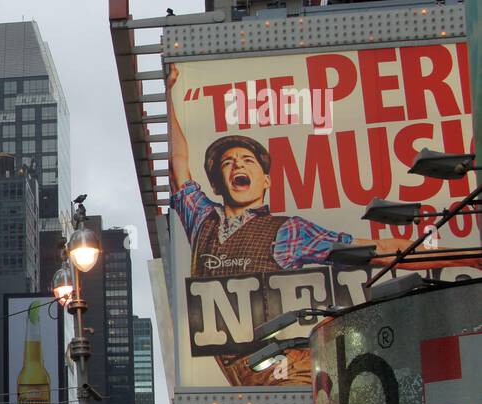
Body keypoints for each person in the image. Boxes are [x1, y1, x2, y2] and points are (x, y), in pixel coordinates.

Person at [165, 65, 447, 386]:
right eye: (227, 162)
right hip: (245, 376)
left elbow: (377, 251)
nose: (237, 165)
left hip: (288, 368)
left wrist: (464, 257)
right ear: (217, 184)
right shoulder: (202, 219)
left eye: (247, 160)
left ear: (266, 180)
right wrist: (168, 92)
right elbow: (179, 163)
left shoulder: (289, 231)